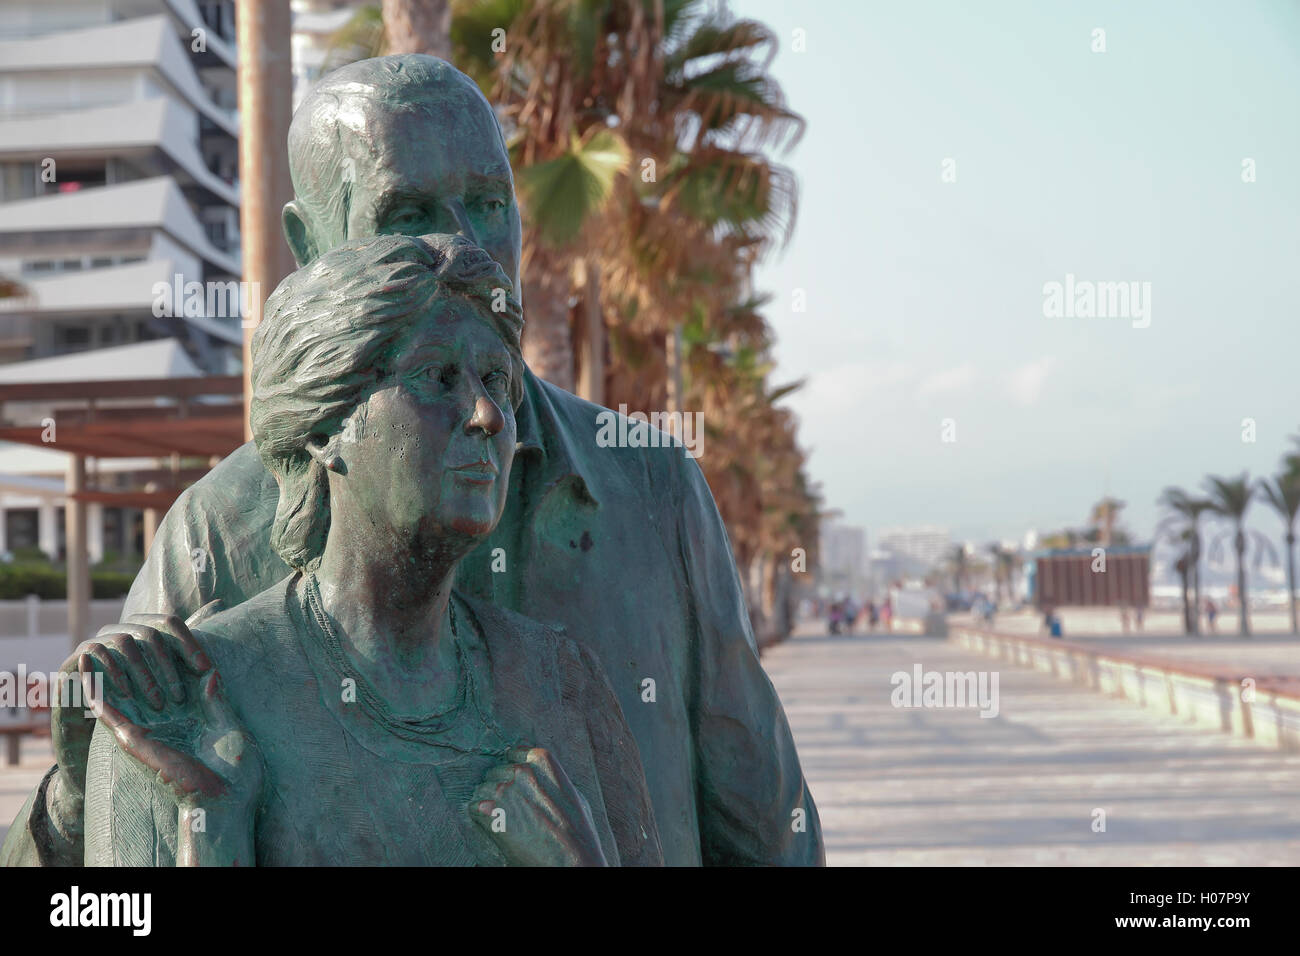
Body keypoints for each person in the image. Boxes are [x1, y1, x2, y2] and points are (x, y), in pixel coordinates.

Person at [2, 55, 821, 868]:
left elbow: (769, 829)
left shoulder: (651, 486)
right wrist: (74, 806)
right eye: (411, 212)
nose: (466, 246)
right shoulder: (215, 534)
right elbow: (114, 853)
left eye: (490, 204)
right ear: (310, 245)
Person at [84, 235, 660, 866]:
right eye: (436, 377)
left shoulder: (566, 684)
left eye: (496, 380)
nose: (488, 414)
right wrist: (215, 830)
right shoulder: (180, 710)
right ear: (325, 427)